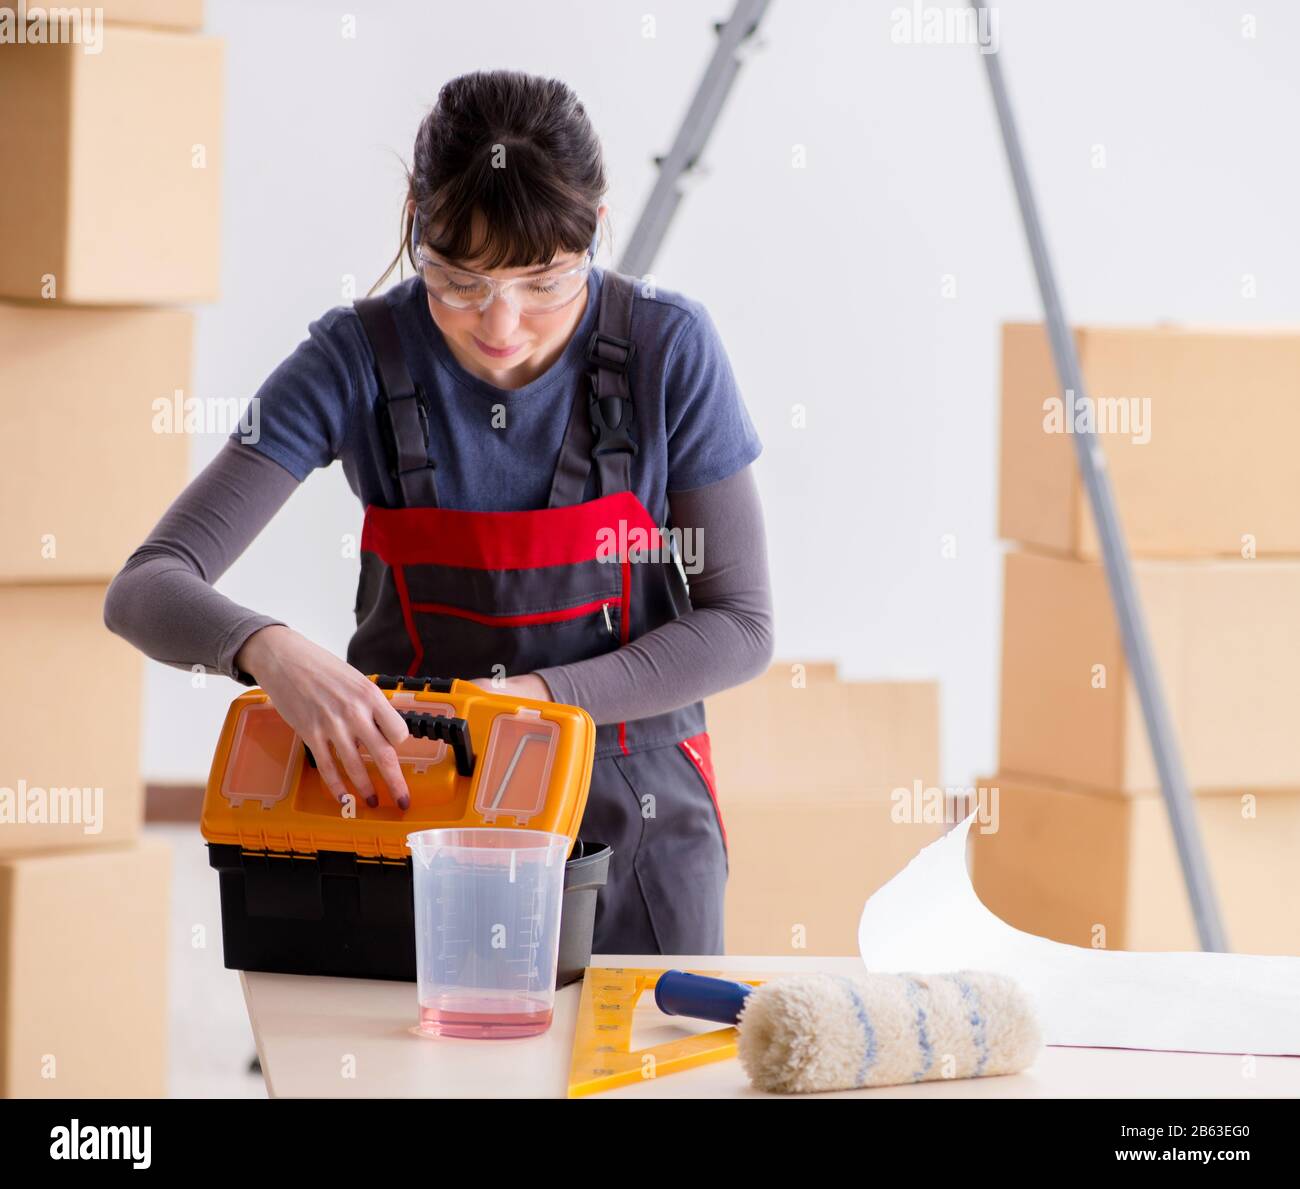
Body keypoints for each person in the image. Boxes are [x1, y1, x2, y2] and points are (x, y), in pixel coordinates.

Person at [105, 69, 774, 955]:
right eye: (459, 281)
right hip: (412, 810)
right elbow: (146, 586)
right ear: (416, 220)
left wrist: (535, 702)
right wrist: (270, 652)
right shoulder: (355, 359)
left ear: (596, 234)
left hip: (635, 820)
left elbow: (741, 624)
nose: (501, 324)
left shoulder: (667, 349)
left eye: (545, 281)